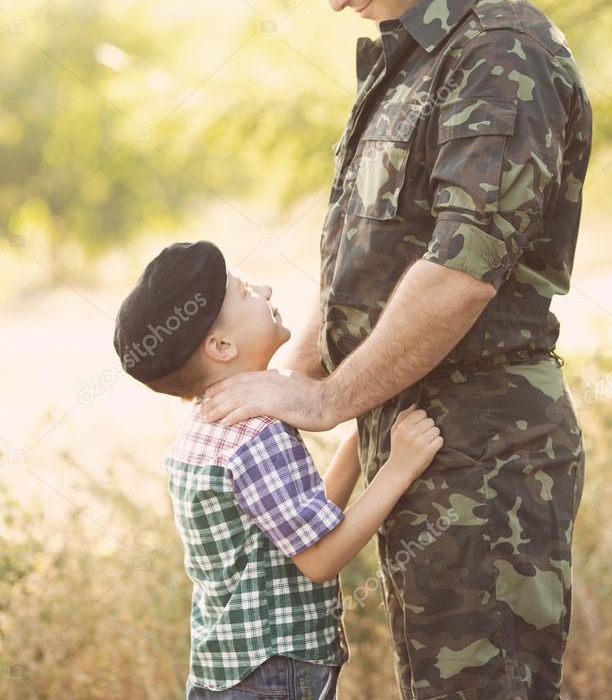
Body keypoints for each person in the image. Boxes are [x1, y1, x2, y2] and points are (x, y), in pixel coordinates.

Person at [198, 0, 593, 700]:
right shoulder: (413, 54)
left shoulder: (501, 53)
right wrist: (302, 360)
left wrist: (328, 400)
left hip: (486, 457)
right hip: (425, 443)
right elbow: (369, 251)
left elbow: (460, 271)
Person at [113, 239, 444, 700]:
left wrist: (355, 442)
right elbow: (320, 558)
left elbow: (300, 526)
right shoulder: (255, 434)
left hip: (234, 670)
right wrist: (398, 470)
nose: (266, 290)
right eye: (247, 292)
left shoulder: (208, 424)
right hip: (272, 674)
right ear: (222, 346)